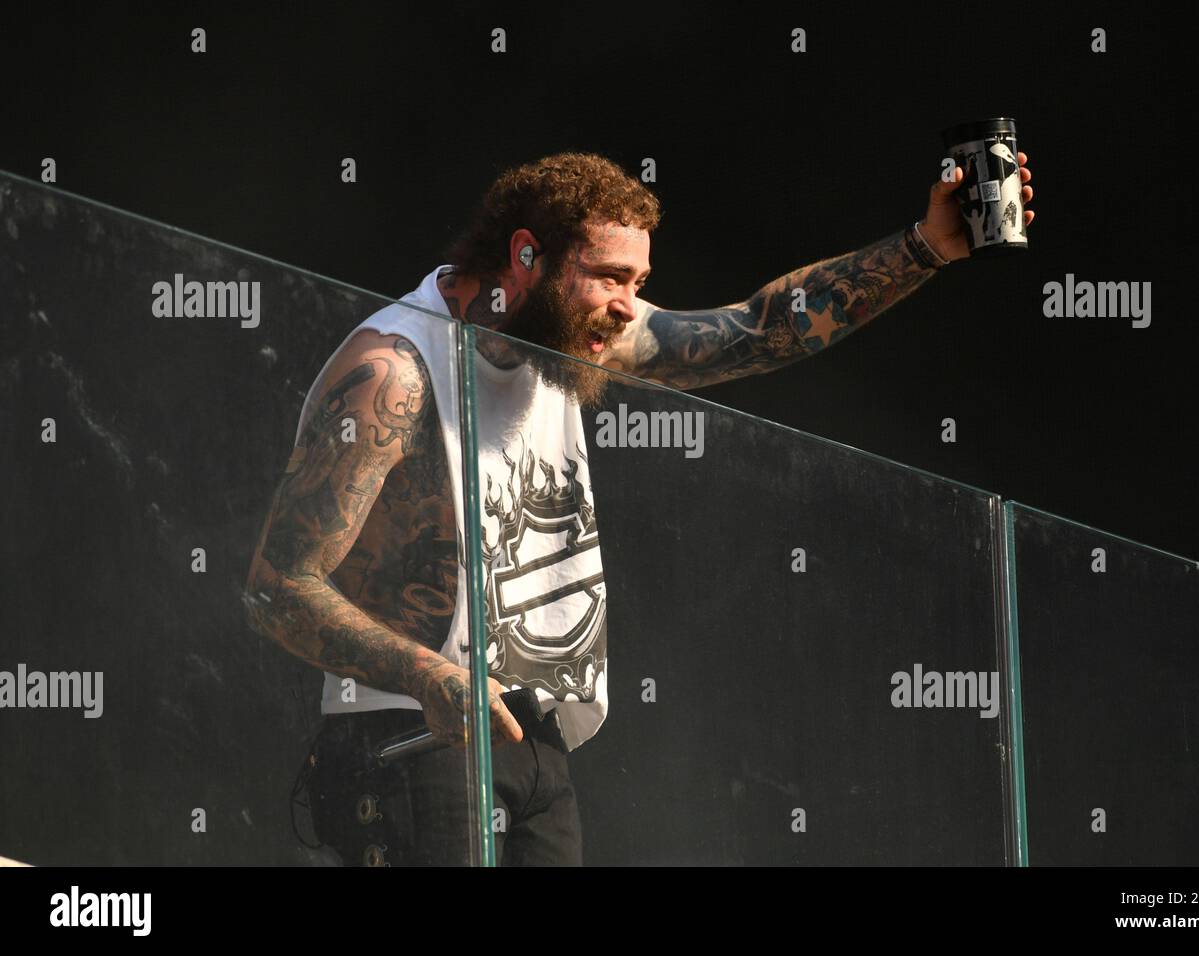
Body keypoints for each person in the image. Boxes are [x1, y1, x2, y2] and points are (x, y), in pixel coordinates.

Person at [242, 150, 1037, 866]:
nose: (628, 309)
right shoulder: (394, 373)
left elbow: (757, 332)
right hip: (412, 735)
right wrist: (429, 676)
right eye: (610, 278)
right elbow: (277, 583)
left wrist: (924, 247)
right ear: (525, 256)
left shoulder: (568, 335)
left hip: (534, 741)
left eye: (639, 285)